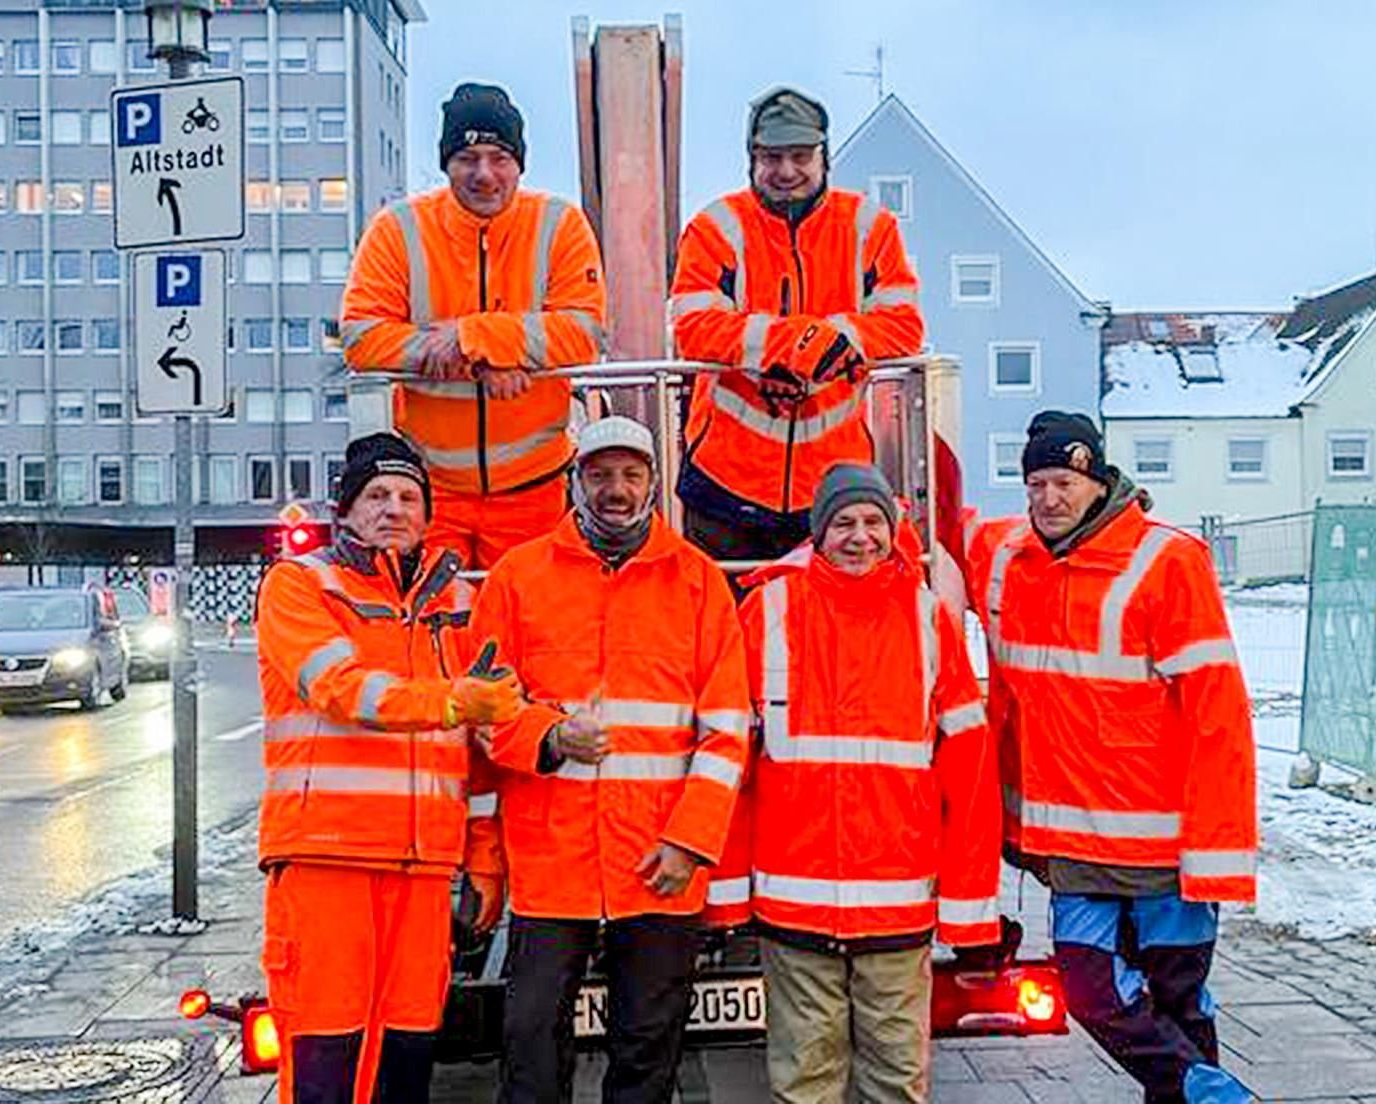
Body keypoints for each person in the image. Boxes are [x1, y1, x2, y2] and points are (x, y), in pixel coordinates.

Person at [468, 416, 752, 1104]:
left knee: (647, 1049)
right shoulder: (517, 577)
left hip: (658, 862)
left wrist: (690, 842)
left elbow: (726, 731)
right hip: (548, 858)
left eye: (630, 474)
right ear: (574, 481)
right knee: (530, 1038)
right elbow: (480, 706)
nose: (615, 490)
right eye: (598, 474)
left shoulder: (698, 582)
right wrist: (550, 736)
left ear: (655, 483)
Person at [978, 411, 1258, 1104]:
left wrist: (1219, 854)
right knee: (1090, 988)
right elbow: (944, 521)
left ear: (1097, 480)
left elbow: (1218, 714)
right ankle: (1220, 1098)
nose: (1049, 498)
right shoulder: (1012, 559)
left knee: (1178, 1006)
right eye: (1036, 482)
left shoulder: (1168, 560)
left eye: (1064, 481)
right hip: (1075, 847)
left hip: (1166, 848)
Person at [709, 463, 1000, 1103]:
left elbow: (970, 768)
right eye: (844, 522)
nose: (860, 537)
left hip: (898, 904)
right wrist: (726, 893)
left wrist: (969, 905)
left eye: (873, 522)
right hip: (793, 905)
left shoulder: (929, 621)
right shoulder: (767, 611)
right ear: (818, 533)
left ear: (894, 531)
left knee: (896, 1083)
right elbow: (729, 760)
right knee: (803, 1083)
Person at [253, 432, 524, 1104]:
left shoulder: (454, 601)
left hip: (425, 870)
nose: (394, 509)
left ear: (429, 516)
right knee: (326, 1064)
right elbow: (341, 690)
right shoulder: (299, 585)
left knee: (407, 1061)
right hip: (327, 859)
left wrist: (483, 857)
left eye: (409, 497)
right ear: (344, 510)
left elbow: (479, 749)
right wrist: (454, 698)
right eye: (376, 495)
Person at [338, 82, 608, 570]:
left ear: (519, 164)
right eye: (467, 157)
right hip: (433, 491)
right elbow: (360, 338)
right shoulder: (397, 228)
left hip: (536, 489)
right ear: (446, 165)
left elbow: (585, 334)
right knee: (440, 633)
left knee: (529, 635)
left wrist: (473, 338)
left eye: (499, 156)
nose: (485, 173)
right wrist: (482, 363)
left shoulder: (560, 223)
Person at [668, 86, 924, 565]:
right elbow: (693, 326)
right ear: (751, 159)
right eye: (772, 156)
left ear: (824, 156)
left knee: (827, 634)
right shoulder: (715, 227)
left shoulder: (872, 227)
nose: (786, 171)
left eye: (800, 155)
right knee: (728, 634)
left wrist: (826, 344)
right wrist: (795, 347)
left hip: (832, 484)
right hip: (725, 482)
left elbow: (903, 326)